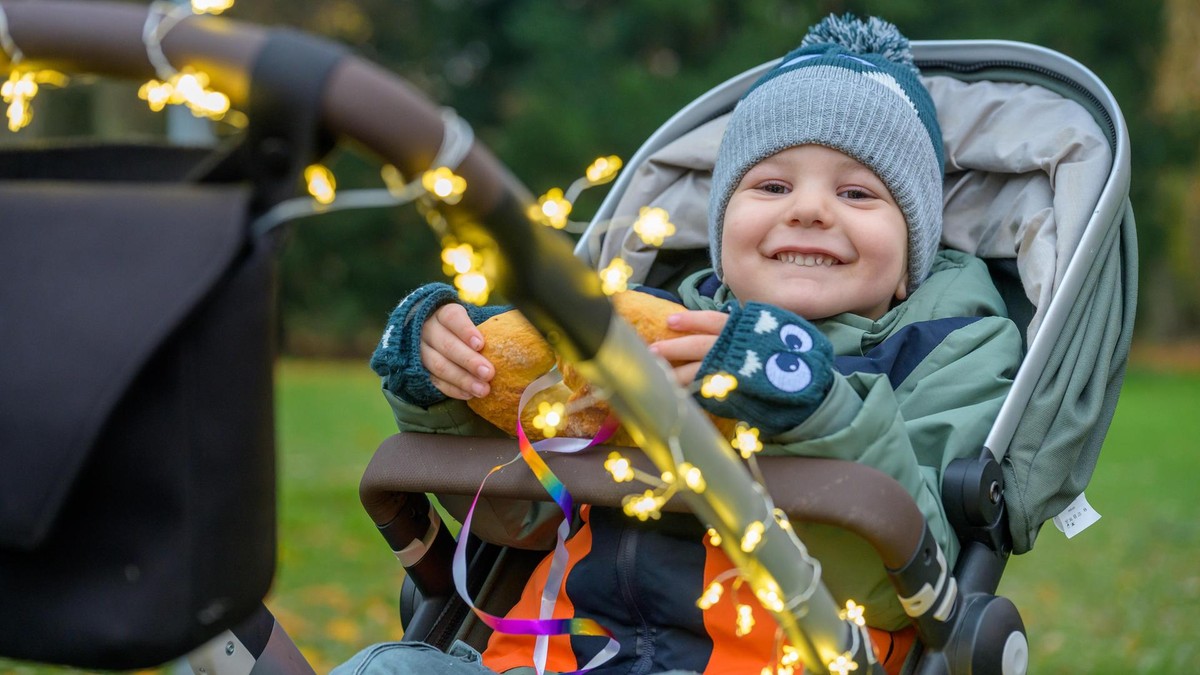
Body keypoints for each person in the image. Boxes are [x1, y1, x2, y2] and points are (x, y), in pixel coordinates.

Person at [340, 13, 1023, 675]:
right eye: (772, 185)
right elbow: (517, 518)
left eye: (857, 192)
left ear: (912, 259)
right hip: (555, 654)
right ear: (722, 236)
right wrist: (444, 380)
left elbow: (898, 577)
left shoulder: (950, 348)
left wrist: (810, 405)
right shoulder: (645, 327)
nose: (810, 209)